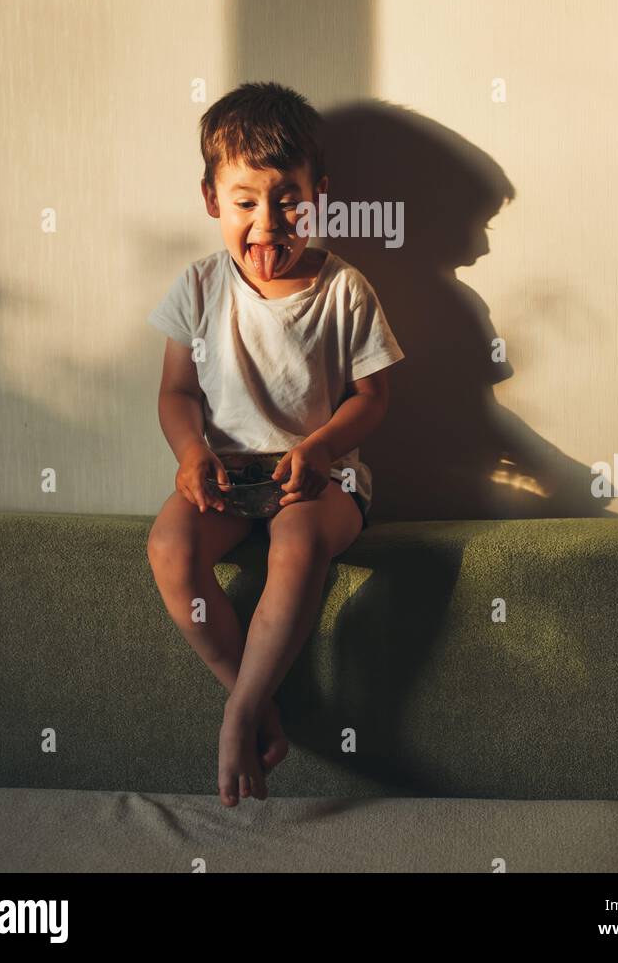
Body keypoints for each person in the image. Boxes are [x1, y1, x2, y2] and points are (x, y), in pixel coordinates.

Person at [146, 81, 404, 808]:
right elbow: (175, 394)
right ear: (211, 201)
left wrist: (321, 449)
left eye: (287, 198)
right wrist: (191, 454)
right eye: (244, 202)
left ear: (318, 195)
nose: (267, 224)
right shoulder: (198, 287)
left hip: (325, 482)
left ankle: (234, 724)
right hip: (226, 477)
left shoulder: (345, 289)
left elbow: (372, 396)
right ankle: (254, 702)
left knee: (295, 543)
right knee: (169, 547)